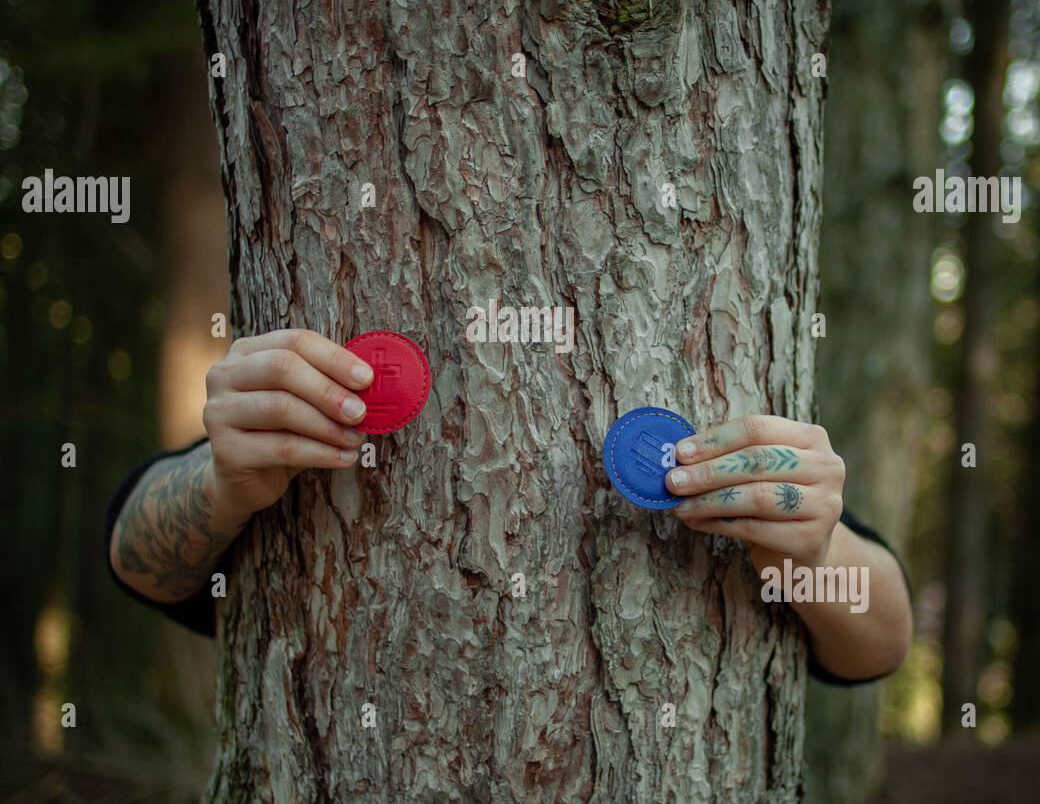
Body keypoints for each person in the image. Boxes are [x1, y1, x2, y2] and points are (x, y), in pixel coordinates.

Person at [106, 328, 913, 683]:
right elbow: (138, 563)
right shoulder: (281, 455)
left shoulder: (772, 491)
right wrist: (219, 485)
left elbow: (879, 646)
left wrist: (817, 549)